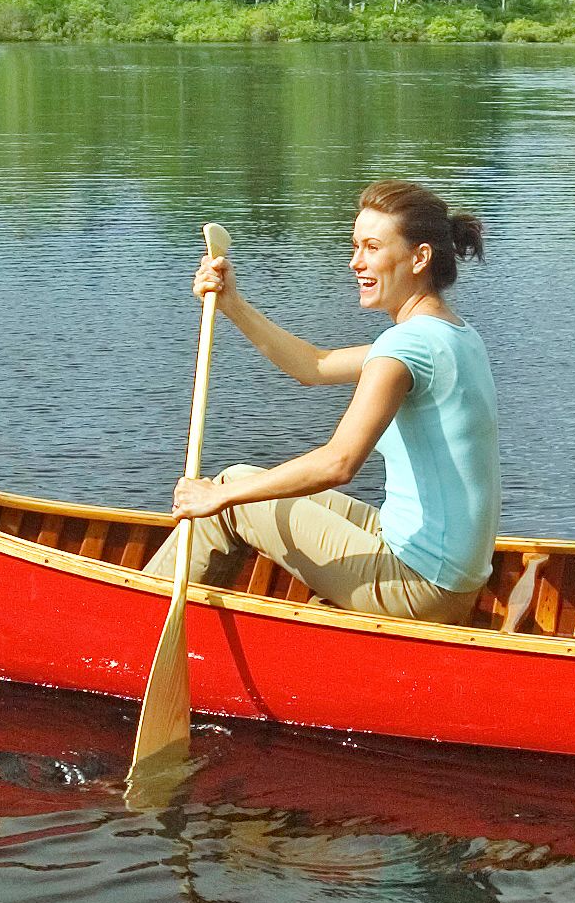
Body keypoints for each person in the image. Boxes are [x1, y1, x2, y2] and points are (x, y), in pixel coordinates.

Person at [139, 181, 498, 625]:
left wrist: (220, 498)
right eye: (355, 246)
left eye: (372, 247)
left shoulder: (405, 348)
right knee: (238, 478)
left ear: (419, 257)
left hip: (422, 586)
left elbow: (338, 464)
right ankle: (188, 619)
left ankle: (136, 625)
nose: (356, 263)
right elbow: (314, 364)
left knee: (230, 500)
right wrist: (233, 304)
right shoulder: (450, 333)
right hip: (436, 566)